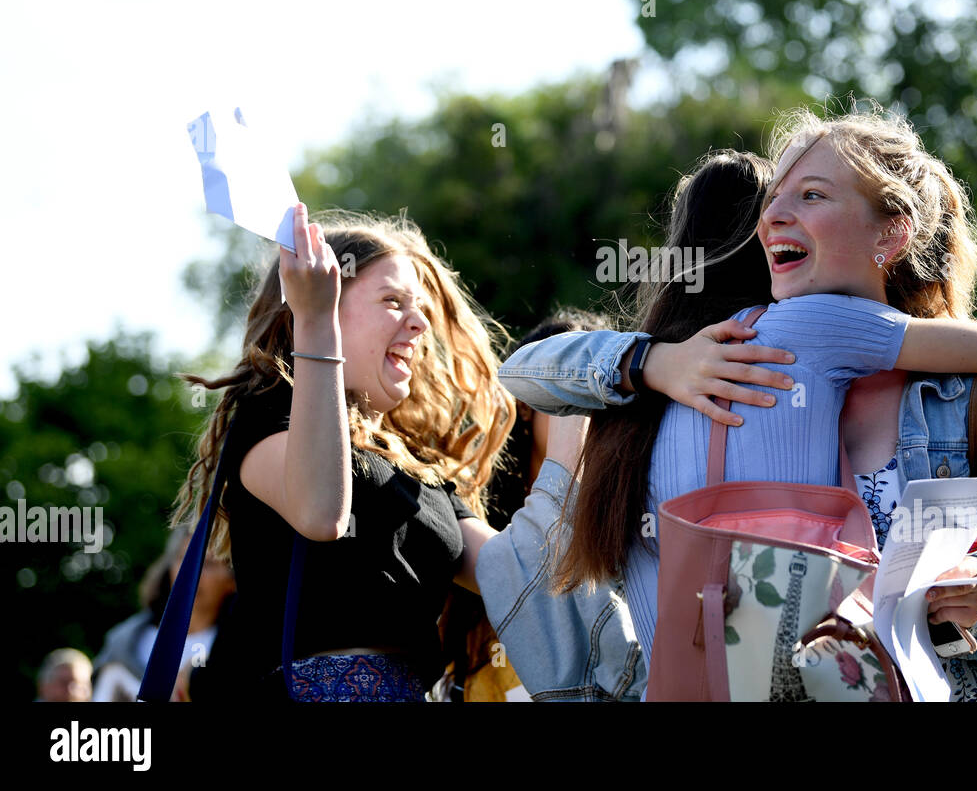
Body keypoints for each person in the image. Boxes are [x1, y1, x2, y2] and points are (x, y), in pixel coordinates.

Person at [498, 110, 977, 700]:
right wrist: (656, 362)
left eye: (812, 195)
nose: (773, 215)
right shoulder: (717, 367)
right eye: (772, 199)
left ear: (890, 234)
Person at [172, 205, 514, 701]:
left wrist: (576, 430)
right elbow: (320, 512)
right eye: (394, 301)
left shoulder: (421, 475)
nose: (420, 323)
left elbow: (514, 574)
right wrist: (314, 323)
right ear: (320, 305)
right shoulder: (269, 420)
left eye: (418, 307)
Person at [443, 309, 646, 701]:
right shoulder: (470, 513)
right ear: (525, 403)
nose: (589, 411)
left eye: (607, 396)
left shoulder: (632, 522)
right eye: (570, 387)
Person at [92, 526, 235, 701]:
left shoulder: (240, 649)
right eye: (185, 559)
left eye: (209, 564)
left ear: (232, 580)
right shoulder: (125, 641)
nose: (194, 572)